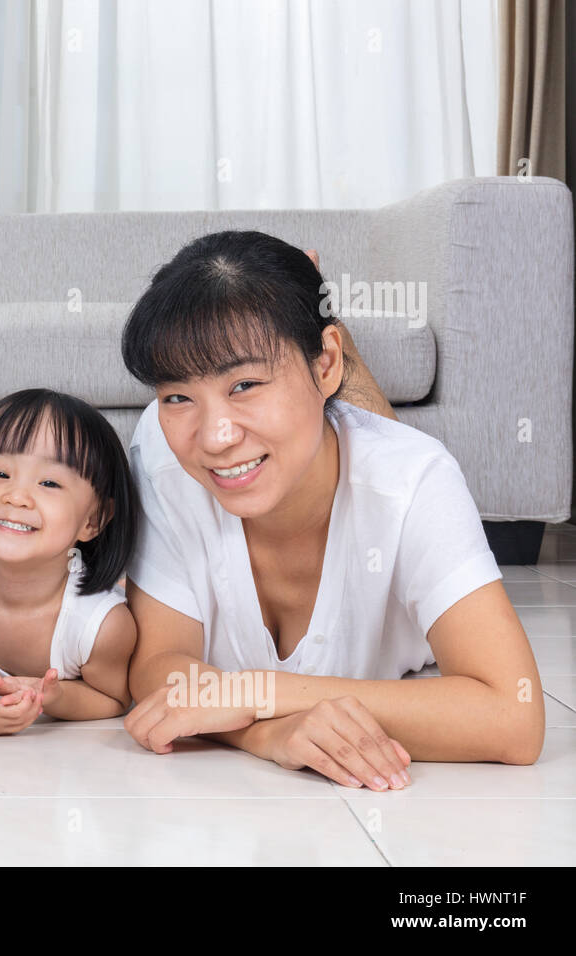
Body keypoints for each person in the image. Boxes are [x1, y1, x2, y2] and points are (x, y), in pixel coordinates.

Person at [119, 230, 545, 788]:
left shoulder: (416, 479)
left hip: (366, 456)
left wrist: (256, 692)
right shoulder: (163, 453)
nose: (215, 436)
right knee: (324, 438)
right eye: (177, 396)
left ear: (325, 363)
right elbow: (157, 672)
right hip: (324, 428)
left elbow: (514, 718)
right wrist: (265, 732)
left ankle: (335, 344)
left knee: (374, 451)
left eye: (245, 383)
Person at [0, 389, 138, 736]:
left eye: (49, 482)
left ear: (93, 520)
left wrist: (53, 696)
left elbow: (111, 697)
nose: (16, 497)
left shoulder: (101, 624)